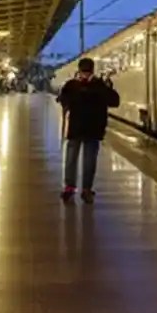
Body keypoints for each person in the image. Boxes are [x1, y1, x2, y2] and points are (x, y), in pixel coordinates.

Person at [56, 57, 119, 204]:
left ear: (79, 69)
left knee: (71, 159)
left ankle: (70, 188)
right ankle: (86, 189)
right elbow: (114, 101)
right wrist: (108, 87)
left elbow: (62, 100)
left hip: (76, 128)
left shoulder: (71, 85)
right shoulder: (99, 85)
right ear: (92, 70)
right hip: (93, 128)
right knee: (89, 160)